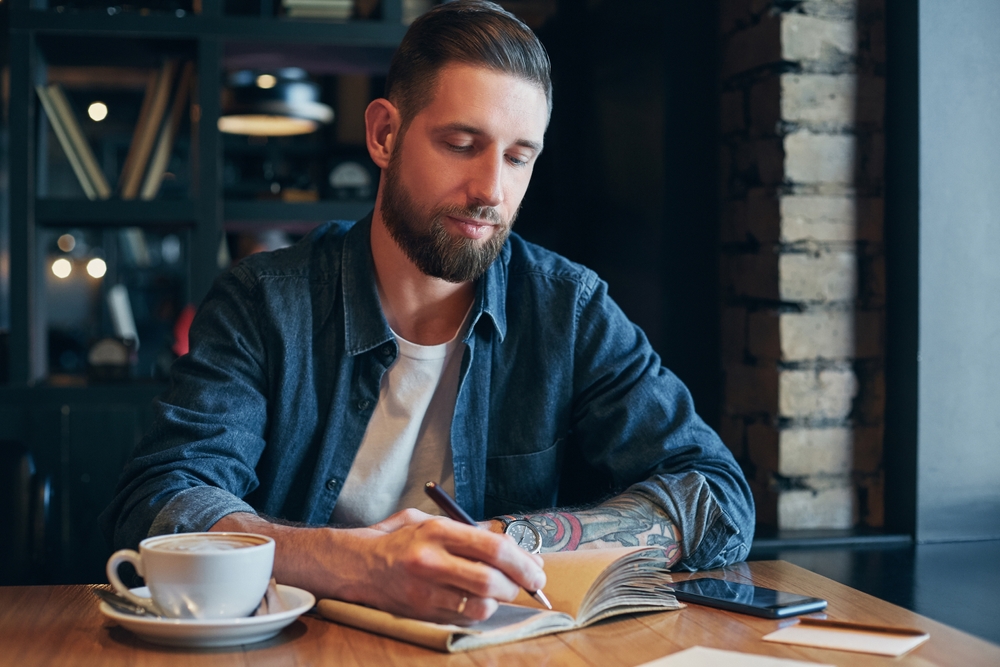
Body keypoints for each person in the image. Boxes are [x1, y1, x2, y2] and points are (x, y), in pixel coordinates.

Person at [101, 0, 754, 626]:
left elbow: (717, 496)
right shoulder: (263, 303)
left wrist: (504, 541)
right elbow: (163, 500)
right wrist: (357, 564)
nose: (491, 190)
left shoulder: (568, 308)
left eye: (518, 157)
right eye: (462, 144)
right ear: (384, 134)